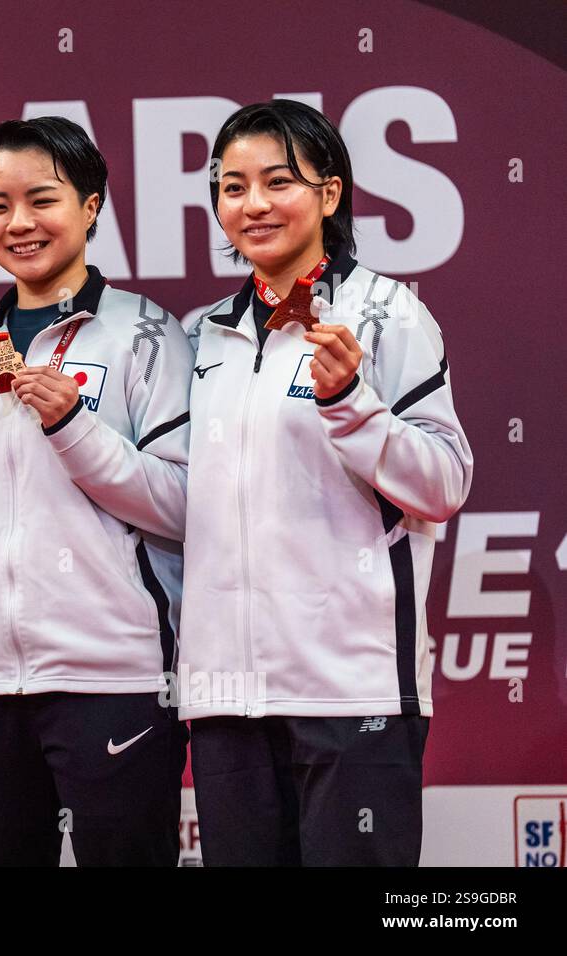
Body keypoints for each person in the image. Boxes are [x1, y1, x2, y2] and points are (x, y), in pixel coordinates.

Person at [179, 99, 473, 865]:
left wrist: (351, 404)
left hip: (353, 693)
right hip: (226, 700)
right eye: (233, 185)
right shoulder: (202, 334)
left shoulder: (387, 314)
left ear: (330, 193)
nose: (254, 204)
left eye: (279, 181)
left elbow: (443, 483)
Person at [0, 117, 193, 866]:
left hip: (115, 674)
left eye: (43, 198)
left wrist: (74, 427)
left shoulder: (146, 335)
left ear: (91, 205)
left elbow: (184, 505)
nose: (19, 222)